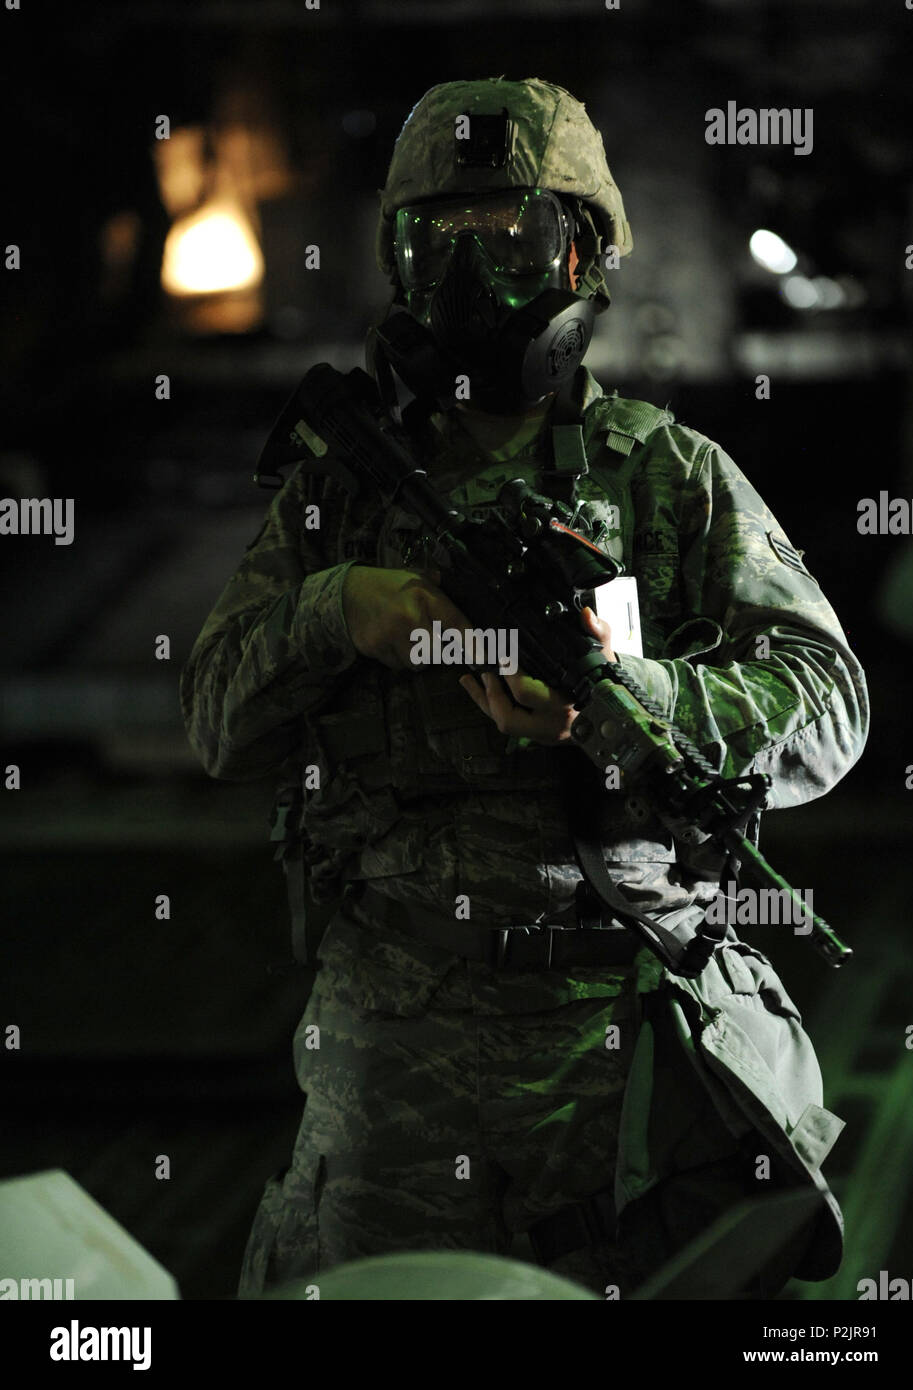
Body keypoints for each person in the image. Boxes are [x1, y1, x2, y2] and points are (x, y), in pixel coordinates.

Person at [180, 77, 869, 1300]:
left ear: (583, 251)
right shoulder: (343, 493)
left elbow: (829, 704)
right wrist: (342, 607)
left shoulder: (669, 478)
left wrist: (630, 692)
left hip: (615, 1041)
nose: (470, 282)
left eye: (508, 241)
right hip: (387, 1050)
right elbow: (215, 719)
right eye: (436, 243)